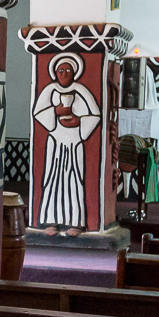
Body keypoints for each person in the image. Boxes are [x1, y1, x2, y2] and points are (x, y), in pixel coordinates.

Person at [32, 53, 101, 235]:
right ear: (55, 72)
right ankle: (51, 221)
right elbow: (38, 112)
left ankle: (75, 222)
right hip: (55, 139)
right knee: (52, 177)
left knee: (74, 178)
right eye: (60, 70)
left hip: (75, 140)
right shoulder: (50, 89)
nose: (64, 74)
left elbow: (95, 115)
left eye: (68, 70)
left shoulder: (80, 90)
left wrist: (79, 121)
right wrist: (56, 111)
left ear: (74, 72)